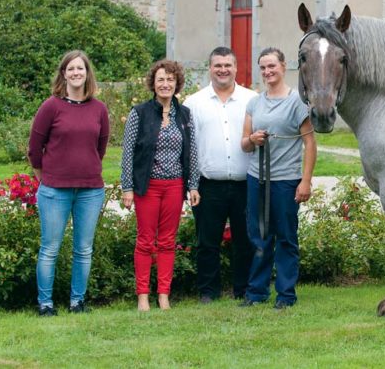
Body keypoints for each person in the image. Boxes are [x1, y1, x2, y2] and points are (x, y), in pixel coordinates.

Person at [28, 50, 110, 316]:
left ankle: (77, 301)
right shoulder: (51, 106)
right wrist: (47, 178)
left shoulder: (99, 109)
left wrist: (84, 170)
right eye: (71, 69)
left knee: (83, 249)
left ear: (88, 74)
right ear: (63, 74)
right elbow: (34, 149)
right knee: (50, 247)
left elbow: (101, 147)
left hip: (90, 190)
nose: (76, 73)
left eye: (81, 69)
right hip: (54, 190)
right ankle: (45, 303)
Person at [240, 47, 316, 309]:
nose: (267, 71)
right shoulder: (255, 103)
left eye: (272, 66)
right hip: (256, 178)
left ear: (284, 67)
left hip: (285, 180)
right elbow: (244, 144)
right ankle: (256, 292)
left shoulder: (297, 102)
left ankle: (285, 295)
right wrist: (252, 139)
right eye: (262, 67)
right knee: (259, 235)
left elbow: (310, 143)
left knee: (285, 237)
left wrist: (305, 181)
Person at [121, 60, 200, 311]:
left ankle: (163, 294)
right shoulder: (139, 113)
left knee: (167, 241)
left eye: (170, 80)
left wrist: (193, 185)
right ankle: (143, 295)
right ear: (153, 84)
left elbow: (193, 152)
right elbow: (127, 153)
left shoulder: (185, 115)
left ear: (177, 84)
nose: (165, 84)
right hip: (148, 186)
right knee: (145, 241)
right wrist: (127, 187)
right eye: (161, 80)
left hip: (175, 186)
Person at [183, 47, 257, 303]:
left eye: (227, 65)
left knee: (245, 240)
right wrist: (190, 184)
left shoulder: (252, 100)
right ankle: (208, 291)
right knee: (207, 242)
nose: (223, 70)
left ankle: (244, 289)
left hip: (244, 183)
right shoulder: (193, 103)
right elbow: (187, 146)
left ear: (236, 68)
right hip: (208, 185)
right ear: (210, 68)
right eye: (218, 65)